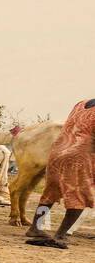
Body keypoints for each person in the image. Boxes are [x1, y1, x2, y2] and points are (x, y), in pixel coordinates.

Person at [25, 98, 94, 249]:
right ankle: (61, 235)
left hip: (59, 150)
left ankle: (35, 228)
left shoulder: (81, 104)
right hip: (79, 154)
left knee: (51, 192)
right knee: (79, 196)